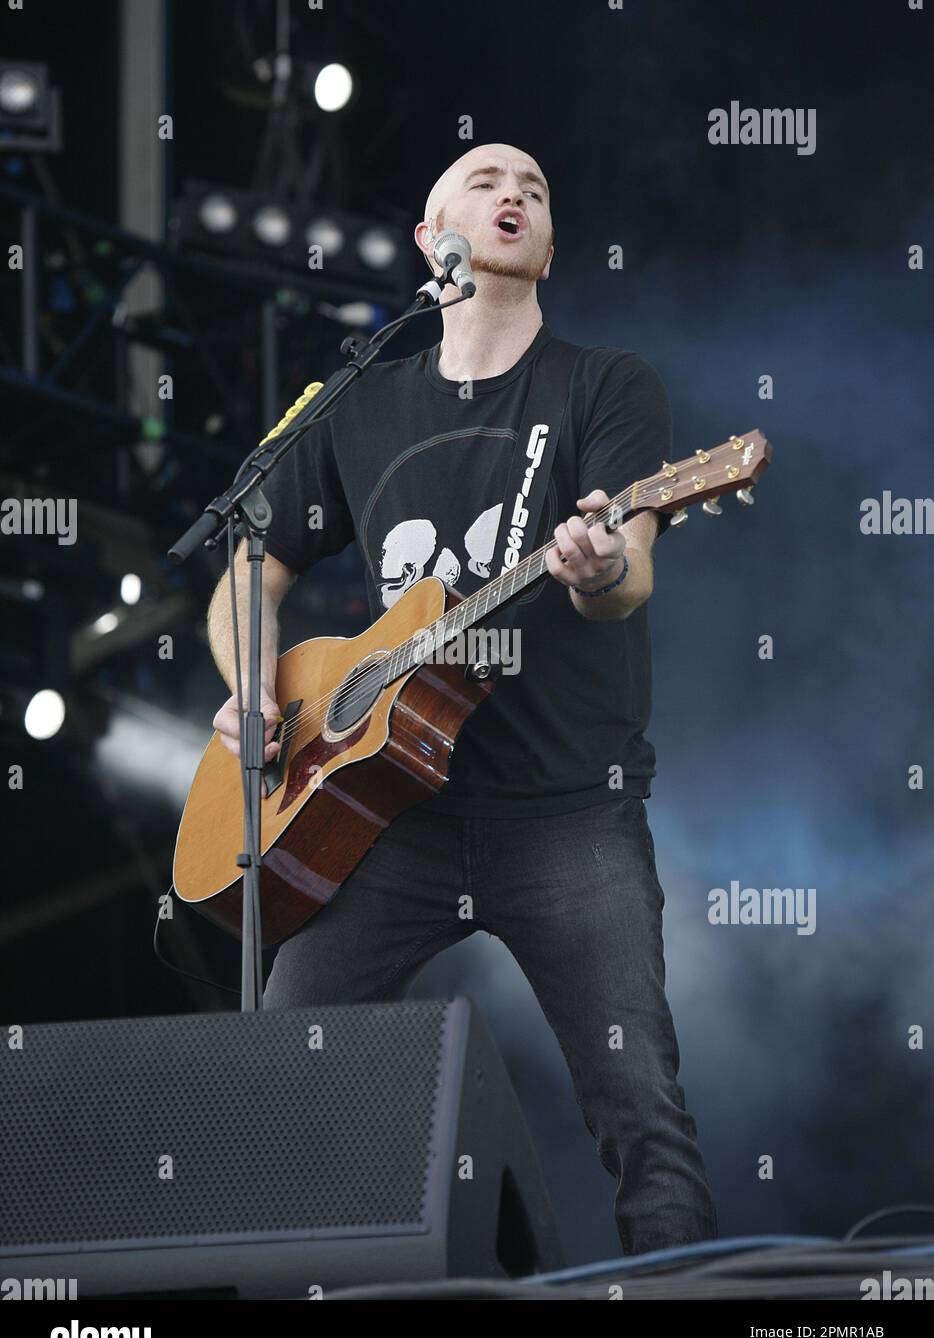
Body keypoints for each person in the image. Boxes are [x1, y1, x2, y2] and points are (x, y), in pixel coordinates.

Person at [208, 143, 717, 1254]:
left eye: (536, 189)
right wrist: (255, 684)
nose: (516, 196)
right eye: (487, 181)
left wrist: (595, 571)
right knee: (270, 1069)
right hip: (387, 818)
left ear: (547, 244)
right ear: (432, 238)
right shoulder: (360, 400)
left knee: (642, 1114)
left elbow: (625, 575)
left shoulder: (605, 384)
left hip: (568, 812)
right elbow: (250, 570)